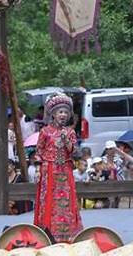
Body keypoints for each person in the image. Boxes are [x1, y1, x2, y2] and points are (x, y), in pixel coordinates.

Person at [34, 93, 83, 242]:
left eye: (66, 112)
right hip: (49, 170)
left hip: (65, 170)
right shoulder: (45, 132)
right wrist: (38, 169)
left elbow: (75, 152)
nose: (63, 115)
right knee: (49, 201)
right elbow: (39, 151)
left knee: (66, 200)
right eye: (60, 112)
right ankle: (48, 231)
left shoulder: (70, 132)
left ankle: (67, 233)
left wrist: (67, 140)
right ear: (53, 114)